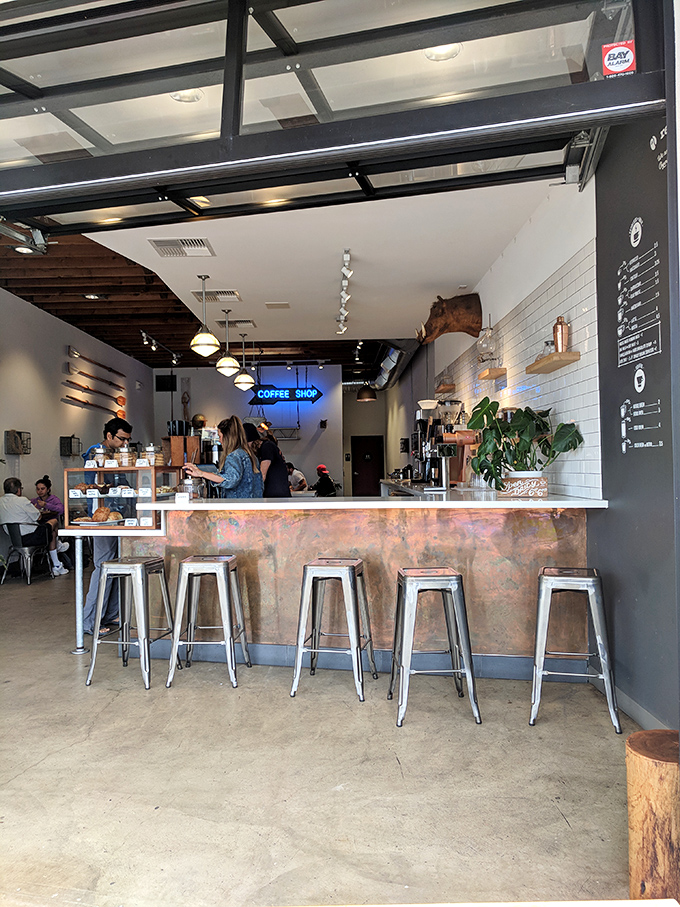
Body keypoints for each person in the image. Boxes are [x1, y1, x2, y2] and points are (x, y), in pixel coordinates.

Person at [81, 416, 132, 635]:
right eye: (122, 439)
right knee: (103, 567)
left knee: (116, 566)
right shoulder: (96, 453)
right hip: (102, 516)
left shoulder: (118, 455)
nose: (125, 444)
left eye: (128, 440)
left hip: (119, 515)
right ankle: (90, 621)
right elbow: (99, 483)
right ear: (109, 436)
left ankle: (110, 614)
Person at [0, 477, 69, 575]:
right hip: (32, 537)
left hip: (14, 539)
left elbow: (60, 509)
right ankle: (57, 553)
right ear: (19, 490)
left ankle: (57, 563)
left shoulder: (0, 501)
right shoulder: (22, 501)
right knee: (53, 523)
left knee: (50, 532)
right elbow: (38, 516)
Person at [184, 416, 262, 498]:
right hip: (254, 506)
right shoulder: (250, 456)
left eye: (220, 436)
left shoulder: (234, 456)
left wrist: (201, 473)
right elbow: (260, 486)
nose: (219, 440)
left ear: (227, 437)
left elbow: (230, 480)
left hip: (238, 508)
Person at [244, 424, 291, 498]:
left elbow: (262, 474)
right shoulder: (265, 448)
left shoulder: (267, 447)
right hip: (276, 494)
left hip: (277, 496)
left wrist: (252, 493)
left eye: (247, 444)